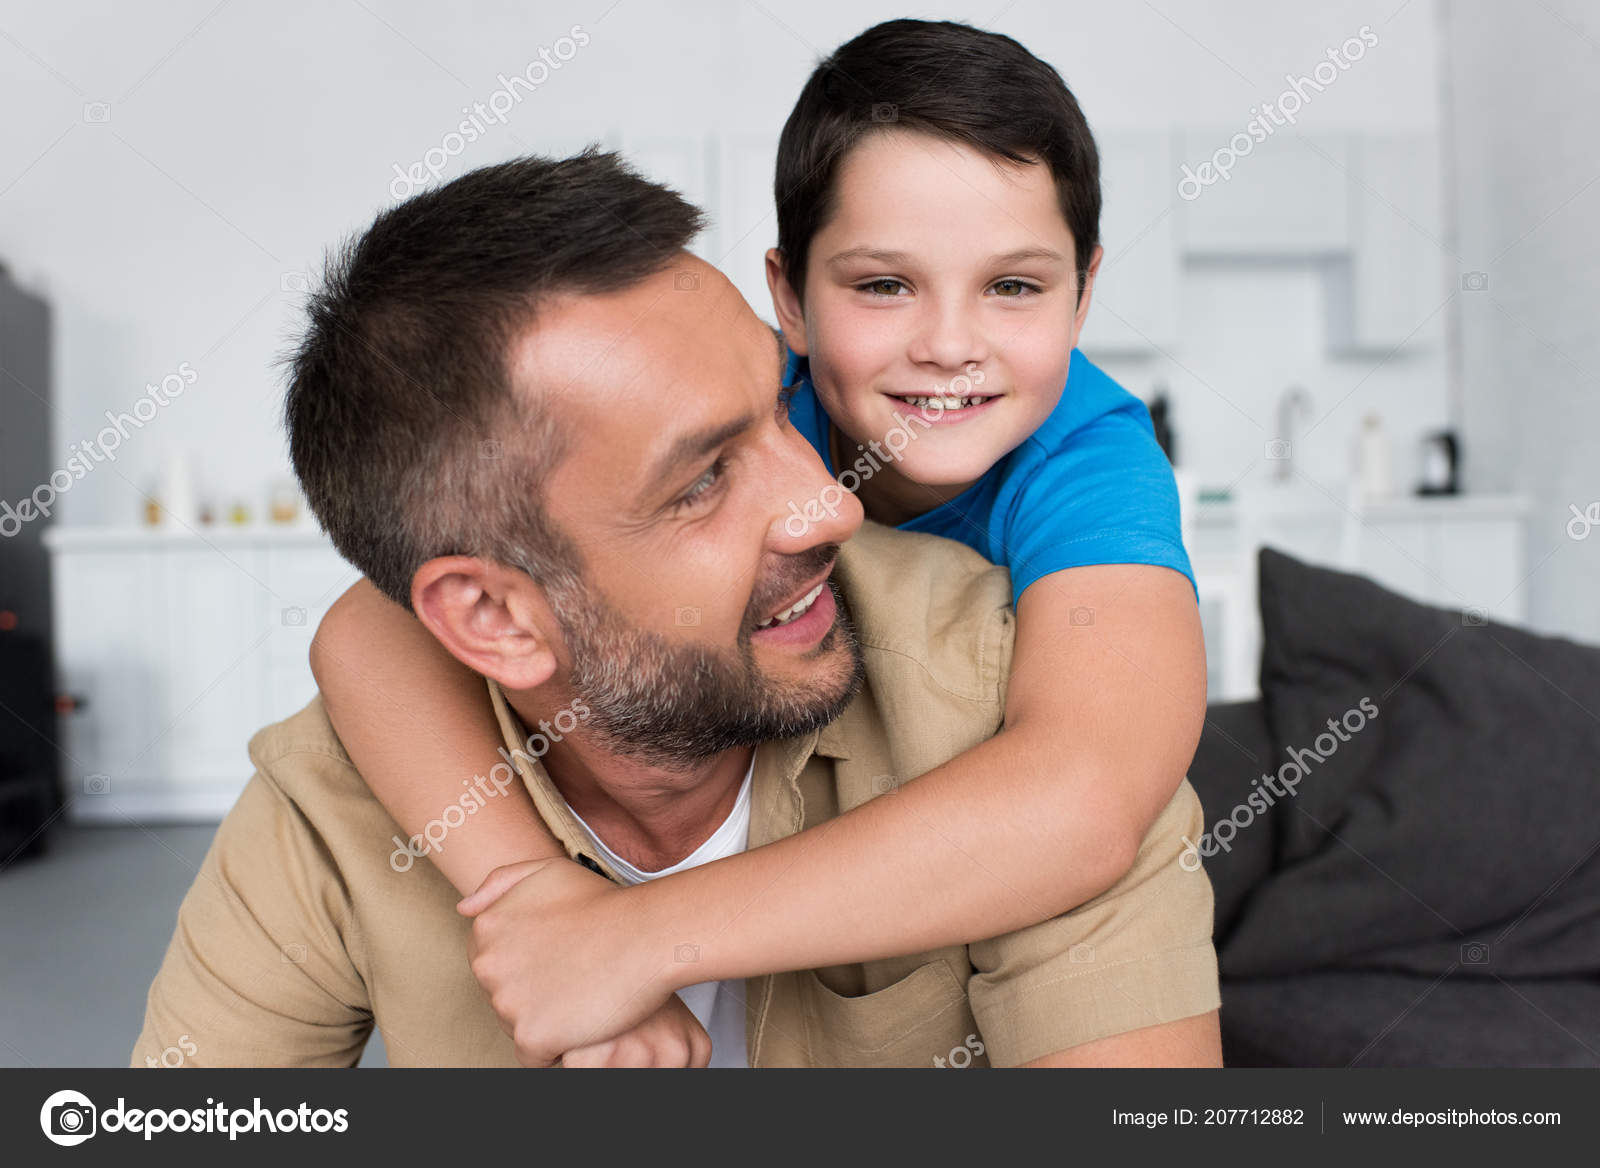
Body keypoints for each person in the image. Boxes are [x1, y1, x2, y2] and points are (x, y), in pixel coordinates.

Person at [132, 150, 1220, 1067]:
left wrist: (624, 940)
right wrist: (527, 888)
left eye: (774, 411)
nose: (828, 503)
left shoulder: (1006, 696)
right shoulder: (341, 804)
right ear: (492, 621)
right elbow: (367, 630)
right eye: (701, 481)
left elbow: (1081, 797)